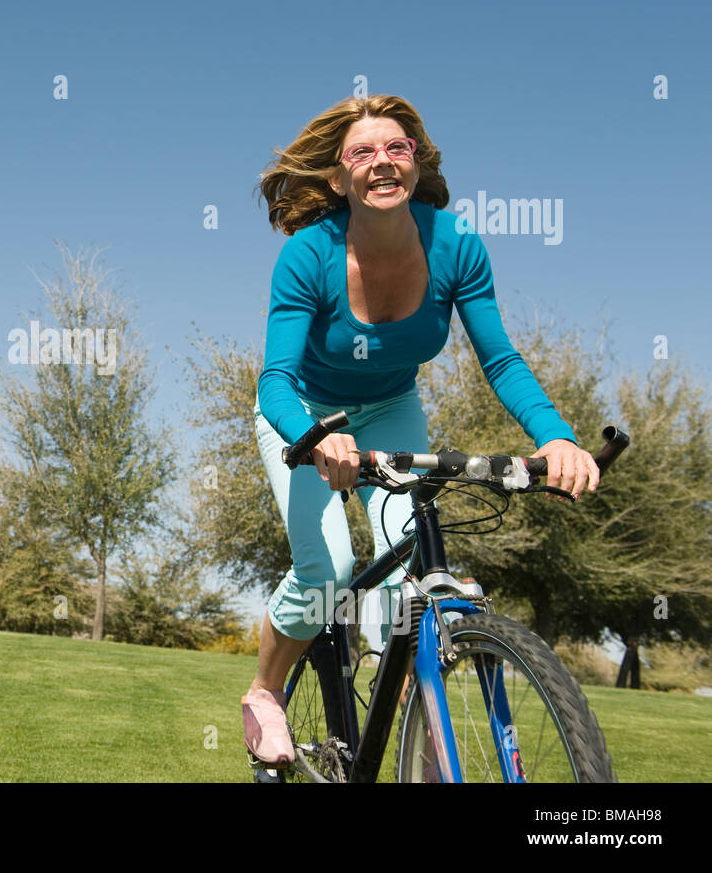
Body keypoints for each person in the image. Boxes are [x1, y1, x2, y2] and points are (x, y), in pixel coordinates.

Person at [240, 95, 599, 766]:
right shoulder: (308, 255)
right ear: (339, 177)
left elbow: (500, 358)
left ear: (417, 162)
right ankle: (264, 692)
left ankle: (409, 705)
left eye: (397, 148)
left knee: (414, 552)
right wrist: (315, 438)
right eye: (363, 152)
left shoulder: (456, 245)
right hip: (306, 412)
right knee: (331, 567)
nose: (382, 162)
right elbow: (274, 381)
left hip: (391, 405)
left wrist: (555, 436)